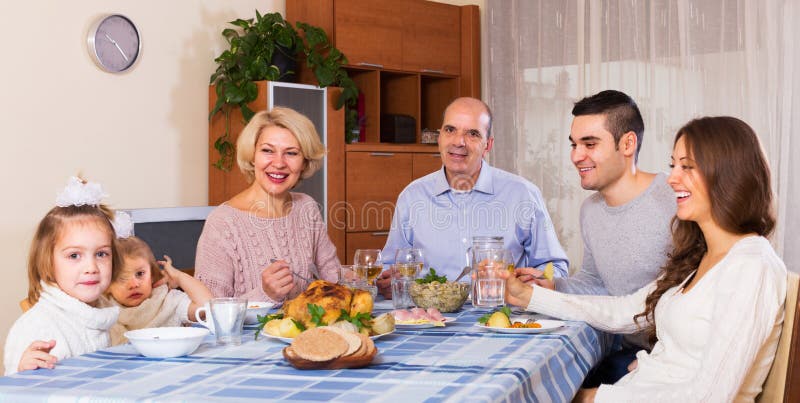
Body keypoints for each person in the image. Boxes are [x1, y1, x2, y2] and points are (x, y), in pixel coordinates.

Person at [500, 116, 787, 402]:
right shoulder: (701, 255)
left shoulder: (751, 266)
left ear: (729, 174)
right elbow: (625, 311)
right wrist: (531, 296)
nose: (673, 178)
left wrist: (594, 398)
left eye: (687, 167)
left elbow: (707, 397)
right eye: (673, 165)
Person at [515, 90, 675, 386]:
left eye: (589, 144)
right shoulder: (591, 210)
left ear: (627, 144)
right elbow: (596, 280)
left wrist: (652, 366)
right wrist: (552, 285)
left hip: (667, 360)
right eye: (574, 145)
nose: (576, 156)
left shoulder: (675, 198)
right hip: (625, 349)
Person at [378, 97, 569, 298]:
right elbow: (390, 267)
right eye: (450, 130)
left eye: (472, 134)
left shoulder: (523, 194)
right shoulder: (412, 196)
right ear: (440, 137)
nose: (459, 142)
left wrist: (535, 281)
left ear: (488, 145)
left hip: (502, 318)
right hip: (431, 321)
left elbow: (555, 269)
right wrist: (387, 281)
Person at [195, 107, 340, 303]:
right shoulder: (222, 223)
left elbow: (333, 278)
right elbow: (208, 312)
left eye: (291, 153)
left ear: (304, 163)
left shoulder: (307, 207)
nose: (279, 163)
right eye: (267, 151)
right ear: (252, 156)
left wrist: (361, 279)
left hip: (306, 333)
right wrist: (265, 295)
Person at [4, 177, 121, 375]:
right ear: (48, 262)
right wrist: (22, 371)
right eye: (74, 255)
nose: (91, 267)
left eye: (101, 254)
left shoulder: (97, 313)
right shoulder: (38, 326)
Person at [107, 236, 212, 345]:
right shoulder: (103, 310)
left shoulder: (167, 300)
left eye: (140, 274)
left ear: (152, 275)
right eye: (122, 278)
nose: (134, 284)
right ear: (107, 284)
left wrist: (179, 277)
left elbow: (207, 306)